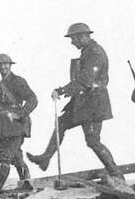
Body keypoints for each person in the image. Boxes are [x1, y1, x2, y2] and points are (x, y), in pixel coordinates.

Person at [28, 22, 121, 177]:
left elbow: (86, 79)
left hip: (94, 104)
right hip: (85, 102)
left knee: (92, 140)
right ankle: (45, 159)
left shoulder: (95, 53)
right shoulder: (88, 52)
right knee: (62, 123)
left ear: (83, 36)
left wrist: (63, 90)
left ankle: (116, 173)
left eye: (74, 39)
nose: (72, 42)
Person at [0, 53, 37, 193]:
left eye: (5, 64)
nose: (2, 67)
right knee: (16, 158)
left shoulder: (18, 81)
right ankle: (27, 185)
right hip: (2, 128)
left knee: (5, 157)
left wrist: (20, 114)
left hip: (16, 126)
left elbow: (33, 99)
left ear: (10, 65)